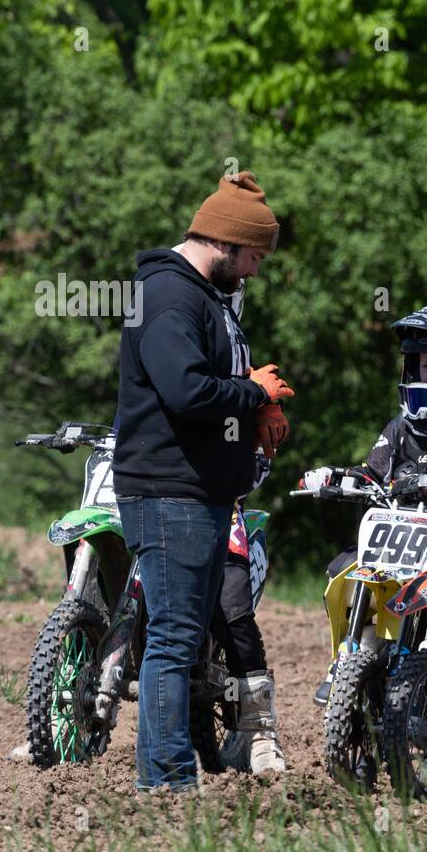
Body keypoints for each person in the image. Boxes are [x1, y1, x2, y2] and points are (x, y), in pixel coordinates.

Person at [113, 171, 293, 791]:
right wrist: (252, 393)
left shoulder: (203, 296)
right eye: (252, 257)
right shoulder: (169, 295)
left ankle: (182, 767)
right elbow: (185, 391)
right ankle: (164, 781)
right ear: (223, 241)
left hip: (201, 495)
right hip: (171, 494)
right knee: (171, 640)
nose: (254, 271)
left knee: (184, 642)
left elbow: (211, 382)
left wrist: (256, 406)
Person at [304, 301, 427, 705]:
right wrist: (335, 478)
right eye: (426, 367)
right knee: (343, 568)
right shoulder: (400, 426)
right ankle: (348, 656)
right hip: (399, 538)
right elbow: (370, 472)